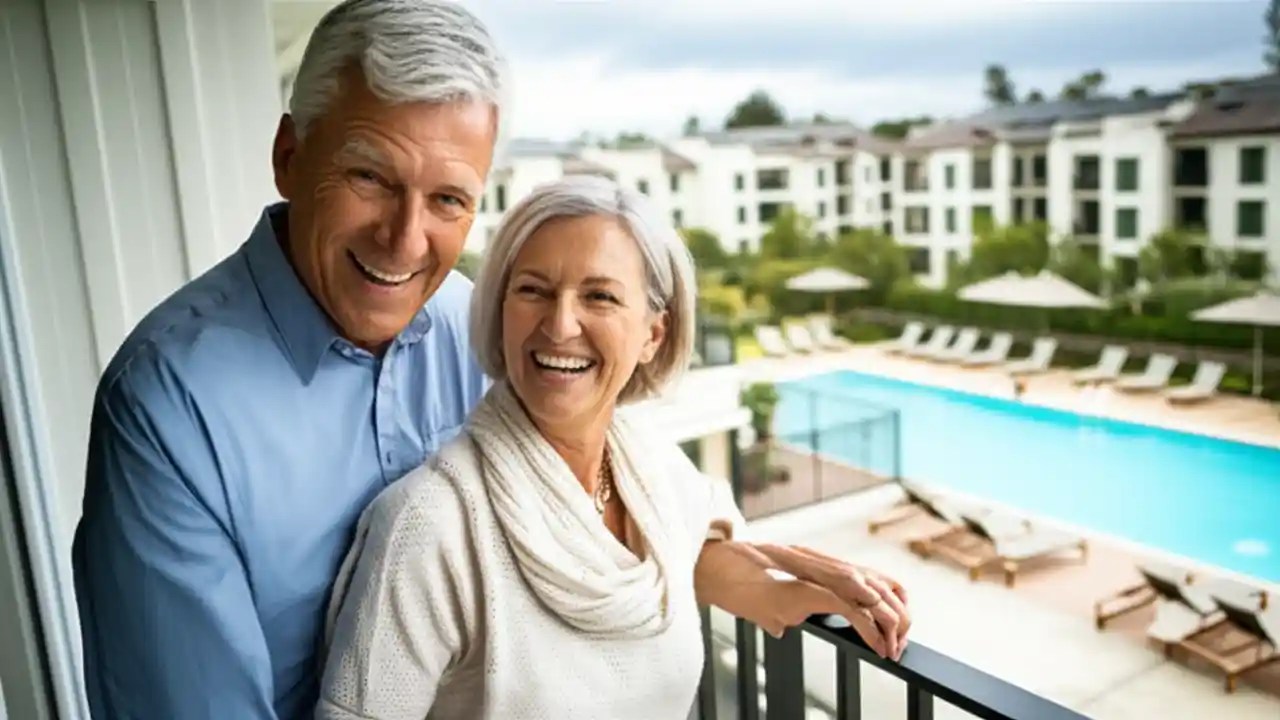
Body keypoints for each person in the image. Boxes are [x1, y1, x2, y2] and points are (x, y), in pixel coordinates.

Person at [72, 2, 909, 718]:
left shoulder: (483, 324)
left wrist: (759, 571)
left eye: (447, 200)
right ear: (292, 157)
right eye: (369, 177)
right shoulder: (168, 405)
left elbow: (581, 513)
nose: (404, 240)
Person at [316, 176, 900, 719]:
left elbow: (678, 557)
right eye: (533, 290)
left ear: (653, 334)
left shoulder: (653, 471)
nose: (561, 324)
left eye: (599, 297)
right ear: (500, 313)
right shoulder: (429, 528)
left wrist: (795, 585)